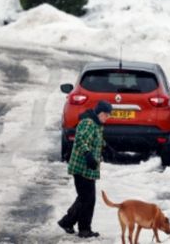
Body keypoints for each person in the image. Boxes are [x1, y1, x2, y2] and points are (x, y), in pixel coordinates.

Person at [58, 100, 112, 239]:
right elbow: (80, 139)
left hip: (89, 169)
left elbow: (95, 139)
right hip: (81, 167)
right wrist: (88, 154)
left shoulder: (97, 124)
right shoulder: (88, 123)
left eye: (109, 115)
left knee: (86, 198)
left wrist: (105, 147)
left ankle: (71, 223)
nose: (108, 117)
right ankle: (81, 228)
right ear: (99, 113)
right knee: (87, 198)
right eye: (106, 114)